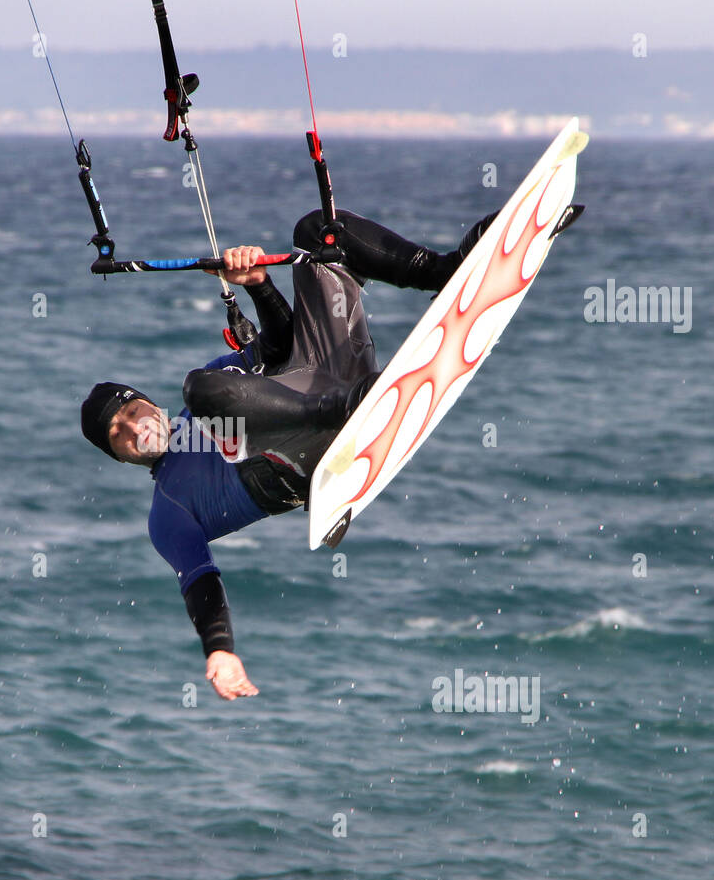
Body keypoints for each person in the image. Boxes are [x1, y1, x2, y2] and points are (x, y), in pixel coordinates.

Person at [80, 207, 497, 700]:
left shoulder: (213, 381)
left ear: (147, 401)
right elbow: (200, 583)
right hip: (302, 456)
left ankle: (445, 271)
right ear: (121, 458)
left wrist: (258, 284)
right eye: (118, 435)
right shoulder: (168, 511)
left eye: (130, 411)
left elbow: (280, 351)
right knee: (203, 391)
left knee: (317, 234)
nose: (133, 428)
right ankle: (354, 407)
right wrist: (220, 648)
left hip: (338, 375)